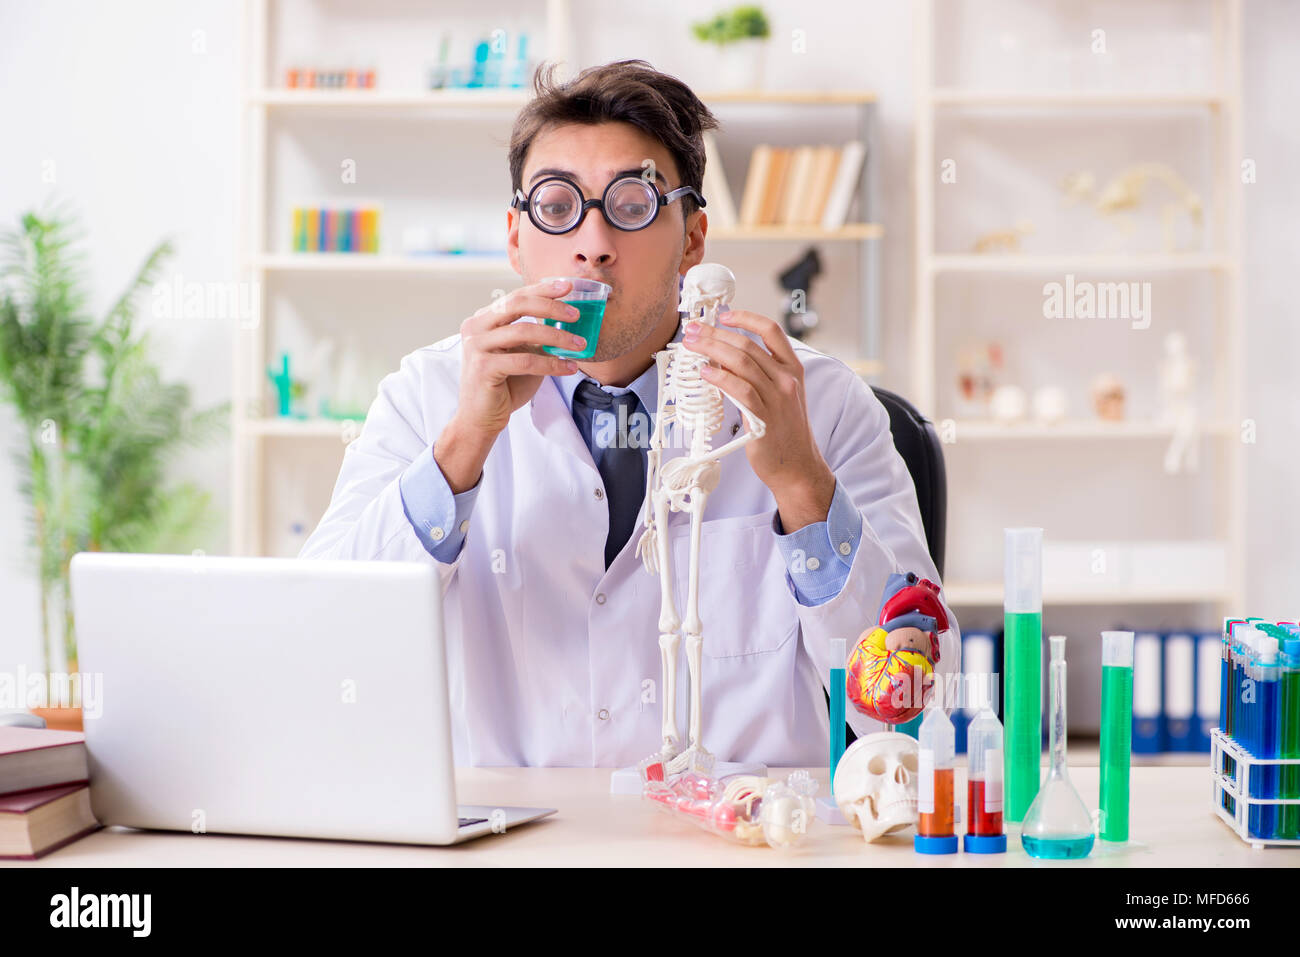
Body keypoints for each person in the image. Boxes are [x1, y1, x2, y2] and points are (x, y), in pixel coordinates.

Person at [300, 59, 960, 767]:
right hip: (516, 837)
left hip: (742, 836)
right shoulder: (427, 397)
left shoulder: (819, 402)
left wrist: (802, 485)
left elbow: (923, 709)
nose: (593, 243)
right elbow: (323, 645)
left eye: (633, 202)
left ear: (693, 239)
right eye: (557, 205)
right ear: (517, 238)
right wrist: (462, 446)